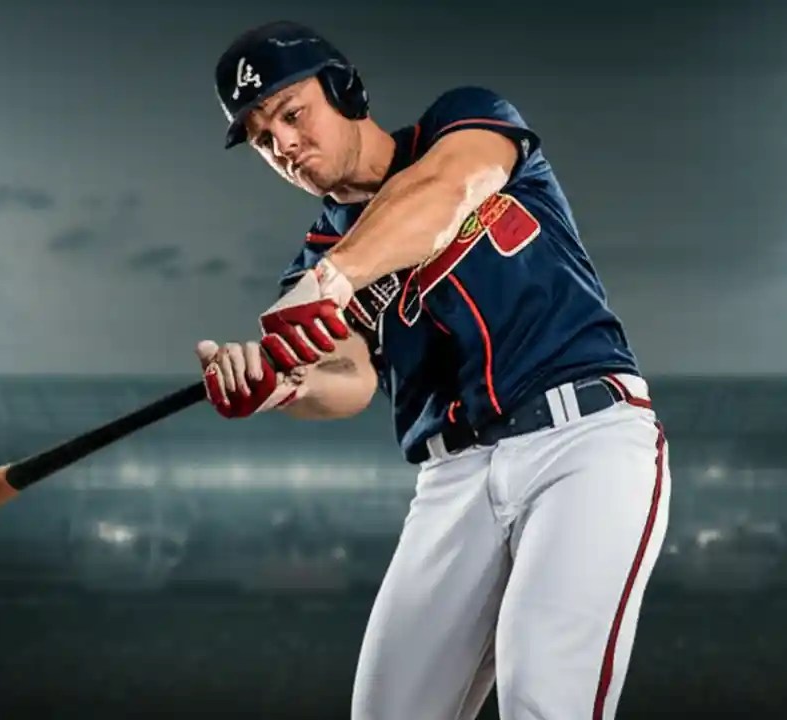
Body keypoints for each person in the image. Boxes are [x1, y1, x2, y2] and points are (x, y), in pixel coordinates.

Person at [195, 20, 673, 720]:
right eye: (263, 138)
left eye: (293, 114)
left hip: (584, 439)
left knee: (545, 697)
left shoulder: (465, 123)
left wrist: (334, 282)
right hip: (453, 481)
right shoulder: (311, 261)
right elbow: (349, 378)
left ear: (345, 89)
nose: (284, 145)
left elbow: (445, 192)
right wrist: (278, 385)